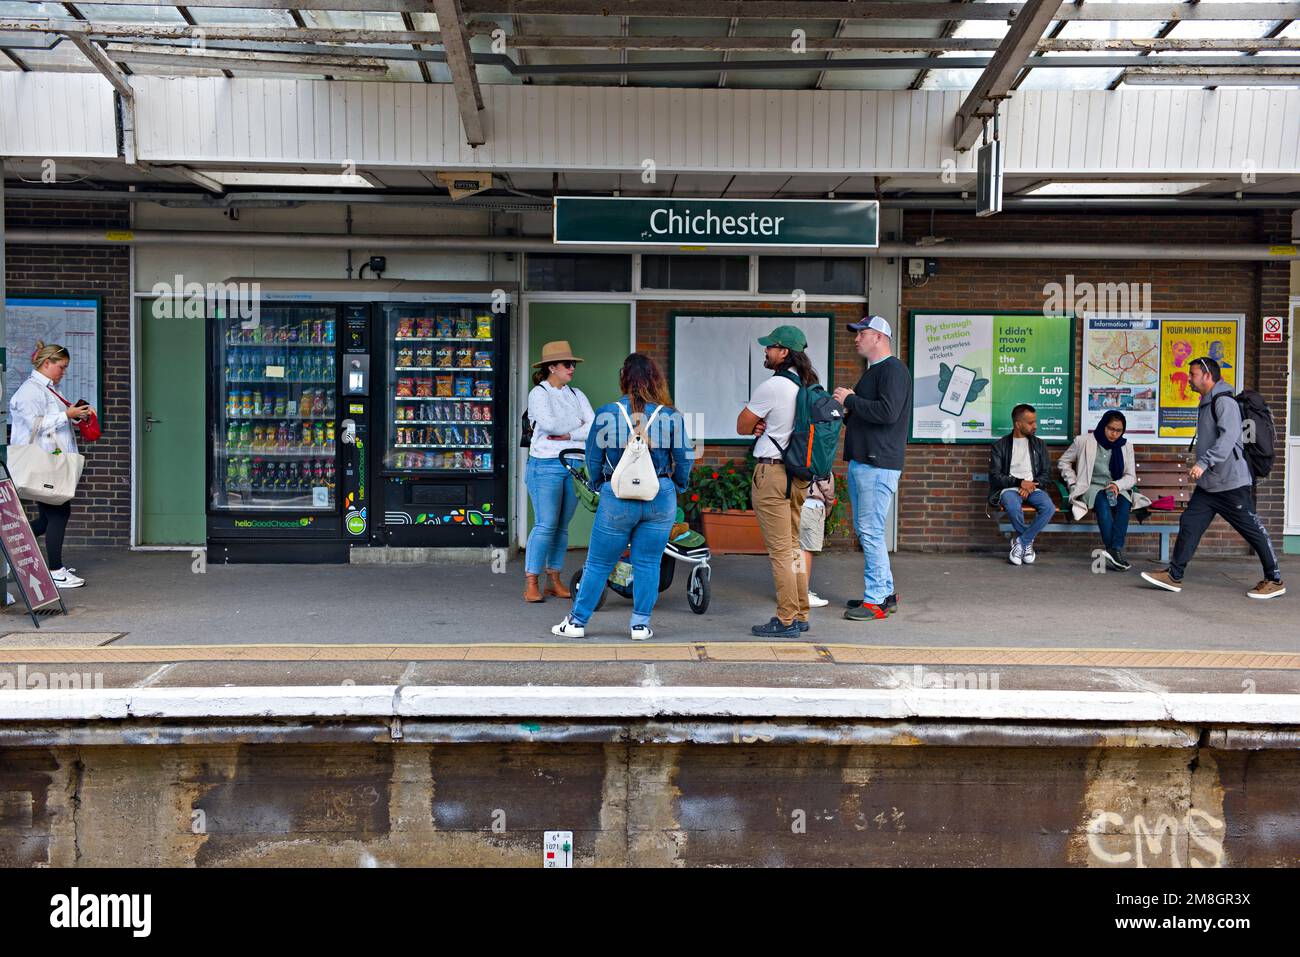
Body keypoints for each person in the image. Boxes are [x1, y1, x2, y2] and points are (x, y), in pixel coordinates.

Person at [552, 354, 693, 640]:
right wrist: (676, 485)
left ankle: (577, 623)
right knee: (648, 563)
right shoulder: (670, 416)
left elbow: (592, 459)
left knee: (599, 563)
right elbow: (685, 459)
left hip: (617, 497)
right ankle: (640, 625)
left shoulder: (607, 413)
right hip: (659, 496)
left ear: (624, 378)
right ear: (656, 379)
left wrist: (599, 483)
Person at [1142, 357, 1284, 599]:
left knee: (1252, 530)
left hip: (1231, 482)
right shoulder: (1207, 401)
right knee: (1190, 523)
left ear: (1207, 376)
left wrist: (1203, 462)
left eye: (1193, 374)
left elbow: (1229, 438)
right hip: (1210, 485)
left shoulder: (1224, 401)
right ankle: (1174, 575)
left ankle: (1274, 579)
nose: (1189, 379)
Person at [737, 325, 818, 638]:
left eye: (770, 347)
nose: (766, 351)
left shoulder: (773, 387)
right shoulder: (807, 385)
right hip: (797, 476)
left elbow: (742, 425)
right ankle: (800, 612)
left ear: (784, 352)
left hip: (771, 473)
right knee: (794, 548)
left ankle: (785, 620)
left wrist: (758, 424)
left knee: (781, 552)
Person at [834, 315, 911, 621]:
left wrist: (851, 399)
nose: (856, 338)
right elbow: (869, 414)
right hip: (866, 461)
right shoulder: (877, 372)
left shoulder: (893, 370)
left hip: (876, 464)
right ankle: (885, 593)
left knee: (870, 531)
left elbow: (888, 412)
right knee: (869, 530)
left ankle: (876, 600)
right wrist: (847, 410)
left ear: (879, 337)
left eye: (861, 333)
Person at [8, 341, 93, 589]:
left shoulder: (48, 389)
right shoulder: (30, 391)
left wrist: (76, 414)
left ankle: (9, 549)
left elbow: (57, 420)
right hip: (43, 462)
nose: (63, 372)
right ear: (47, 363)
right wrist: (66, 415)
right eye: (61, 367)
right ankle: (56, 570)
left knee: (48, 518)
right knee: (59, 512)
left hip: (50, 462)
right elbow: (34, 423)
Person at [523, 340, 595, 603]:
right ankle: (531, 581)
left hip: (574, 464)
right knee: (545, 525)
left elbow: (594, 425)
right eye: (567, 364)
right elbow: (550, 425)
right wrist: (577, 427)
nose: (572, 368)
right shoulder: (539, 394)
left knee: (562, 526)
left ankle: (553, 579)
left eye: (573, 364)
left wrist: (569, 432)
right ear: (552, 367)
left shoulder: (576, 394)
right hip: (546, 465)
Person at [1058, 411, 1149, 572]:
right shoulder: (1083, 441)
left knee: (1124, 503)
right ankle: (1114, 550)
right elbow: (1064, 462)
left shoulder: (1126, 446)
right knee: (1101, 500)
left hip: (1115, 487)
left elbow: (1130, 476)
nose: (1114, 434)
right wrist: (1072, 482)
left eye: (1118, 430)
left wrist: (1117, 485)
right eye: (1110, 429)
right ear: (1103, 425)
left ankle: (1114, 549)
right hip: (1091, 487)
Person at [989, 404, 1056, 566]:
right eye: (1031, 422)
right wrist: (1020, 483)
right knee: (1012, 506)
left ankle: (1021, 541)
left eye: (1035, 421)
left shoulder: (1040, 445)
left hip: (1034, 487)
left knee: (1049, 508)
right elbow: (995, 477)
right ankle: (1026, 543)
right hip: (1009, 488)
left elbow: (1047, 474)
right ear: (1018, 424)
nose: (1035, 426)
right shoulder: (1000, 446)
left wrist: (1031, 485)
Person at [800, 476, 835, 608]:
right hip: (811, 505)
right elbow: (826, 486)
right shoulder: (819, 456)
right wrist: (828, 507)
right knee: (805, 550)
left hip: (790, 505)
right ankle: (802, 594)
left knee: (793, 549)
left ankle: (791, 592)